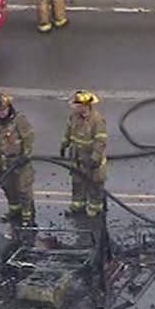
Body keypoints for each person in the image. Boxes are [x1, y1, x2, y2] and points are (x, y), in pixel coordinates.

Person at [0, 93, 36, 227]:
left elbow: (29, 138)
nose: (1, 113)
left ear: (9, 107)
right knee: (8, 188)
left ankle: (28, 216)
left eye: (3, 110)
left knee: (23, 190)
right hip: (2, 163)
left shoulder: (19, 120)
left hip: (19, 163)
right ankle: (15, 210)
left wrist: (25, 156)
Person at [60, 90, 107, 218]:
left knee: (94, 184)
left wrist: (95, 158)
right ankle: (78, 204)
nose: (75, 108)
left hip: (92, 159)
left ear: (86, 106)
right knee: (77, 182)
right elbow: (68, 132)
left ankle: (94, 207)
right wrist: (64, 145)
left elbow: (100, 142)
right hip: (77, 157)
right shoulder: (73, 117)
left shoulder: (97, 120)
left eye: (78, 106)